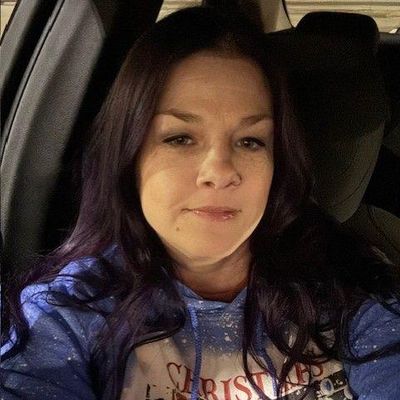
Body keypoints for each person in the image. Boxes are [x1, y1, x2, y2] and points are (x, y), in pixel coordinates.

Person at [1, 6, 399, 400]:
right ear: (129, 154)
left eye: (250, 141)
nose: (219, 171)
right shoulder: (68, 315)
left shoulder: (349, 291)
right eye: (180, 138)